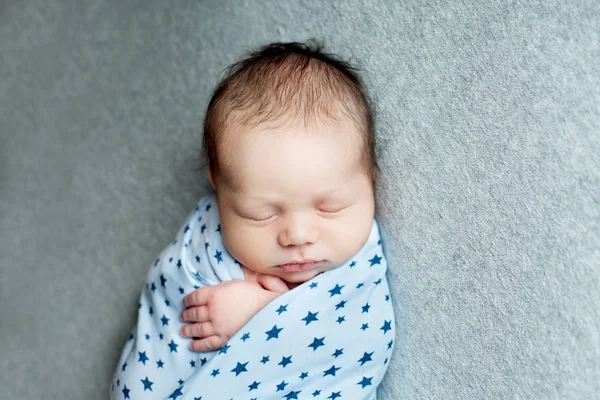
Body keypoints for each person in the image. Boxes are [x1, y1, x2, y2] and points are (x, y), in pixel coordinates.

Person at [111, 40, 394, 400]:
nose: (297, 235)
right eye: (260, 213)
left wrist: (263, 316)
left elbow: (353, 341)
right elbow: (173, 289)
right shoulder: (206, 244)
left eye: (330, 207)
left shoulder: (359, 276)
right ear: (220, 187)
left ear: (369, 176)